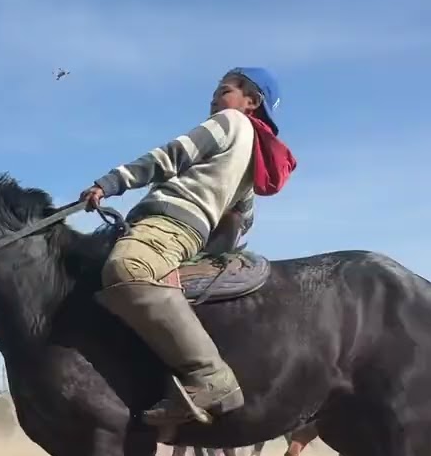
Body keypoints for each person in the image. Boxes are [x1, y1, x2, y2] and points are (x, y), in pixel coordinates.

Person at [80, 67, 296, 428]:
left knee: (128, 267)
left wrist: (111, 182)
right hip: (186, 232)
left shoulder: (231, 121)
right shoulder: (250, 157)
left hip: (167, 222)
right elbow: (240, 220)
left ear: (251, 101)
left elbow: (173, 155)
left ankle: (211, 378)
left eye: (224, 90)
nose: (214, 97)